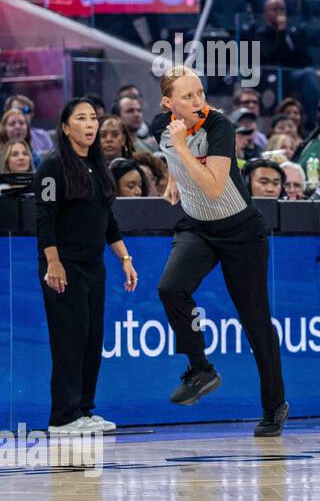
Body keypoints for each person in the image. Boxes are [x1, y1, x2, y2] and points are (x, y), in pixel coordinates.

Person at [149, 66, 289, 436]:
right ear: (168, 103)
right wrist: (173, 179)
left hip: (240, 230)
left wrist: (182, 148)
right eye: (188, 96)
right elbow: (170, 153)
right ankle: (201, 369)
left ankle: (274, 405)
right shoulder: (159, 125)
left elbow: (213, 187)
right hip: (197, 226)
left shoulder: (219, 126)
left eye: (200, 92)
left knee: (255, 321)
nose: (199, 101)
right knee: (170, 288)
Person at [36, 98, 137, 434]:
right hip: (64, 266)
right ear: (66, 128)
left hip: (94, 267)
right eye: (81, 118)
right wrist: (53, 262)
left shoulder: (98, 167)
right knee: (70, 339)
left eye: (93, 118)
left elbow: (107, 220)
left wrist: (124, 259)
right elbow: (44, 218)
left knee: (92, 339)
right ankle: (62, 416)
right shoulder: (52, 168)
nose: (90, 124)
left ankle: (83, 410)